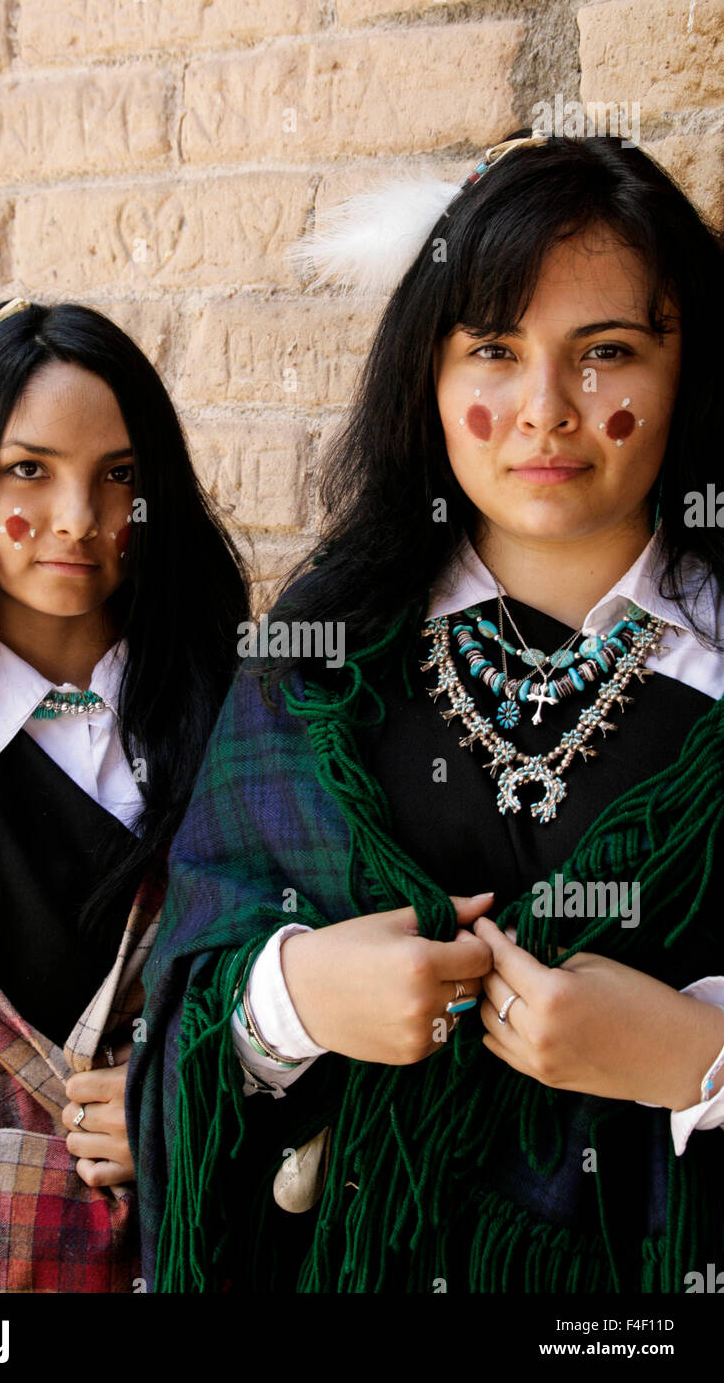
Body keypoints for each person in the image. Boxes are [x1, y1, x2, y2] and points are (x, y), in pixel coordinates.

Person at [127, 130, 724, 1294]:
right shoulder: (322, 661)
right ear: (428, 379)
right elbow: (188, 1009)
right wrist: (288, 1000)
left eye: (605, 352)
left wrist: (694, 1060)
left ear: (686, 369)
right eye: (492, 350)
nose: (545, 408)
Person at [0, 299, 248, 1291]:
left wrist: (189, 1100)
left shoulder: (245, 732)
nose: (78, 519)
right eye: (28, 470)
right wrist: (31, 1191)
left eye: (118, 478)